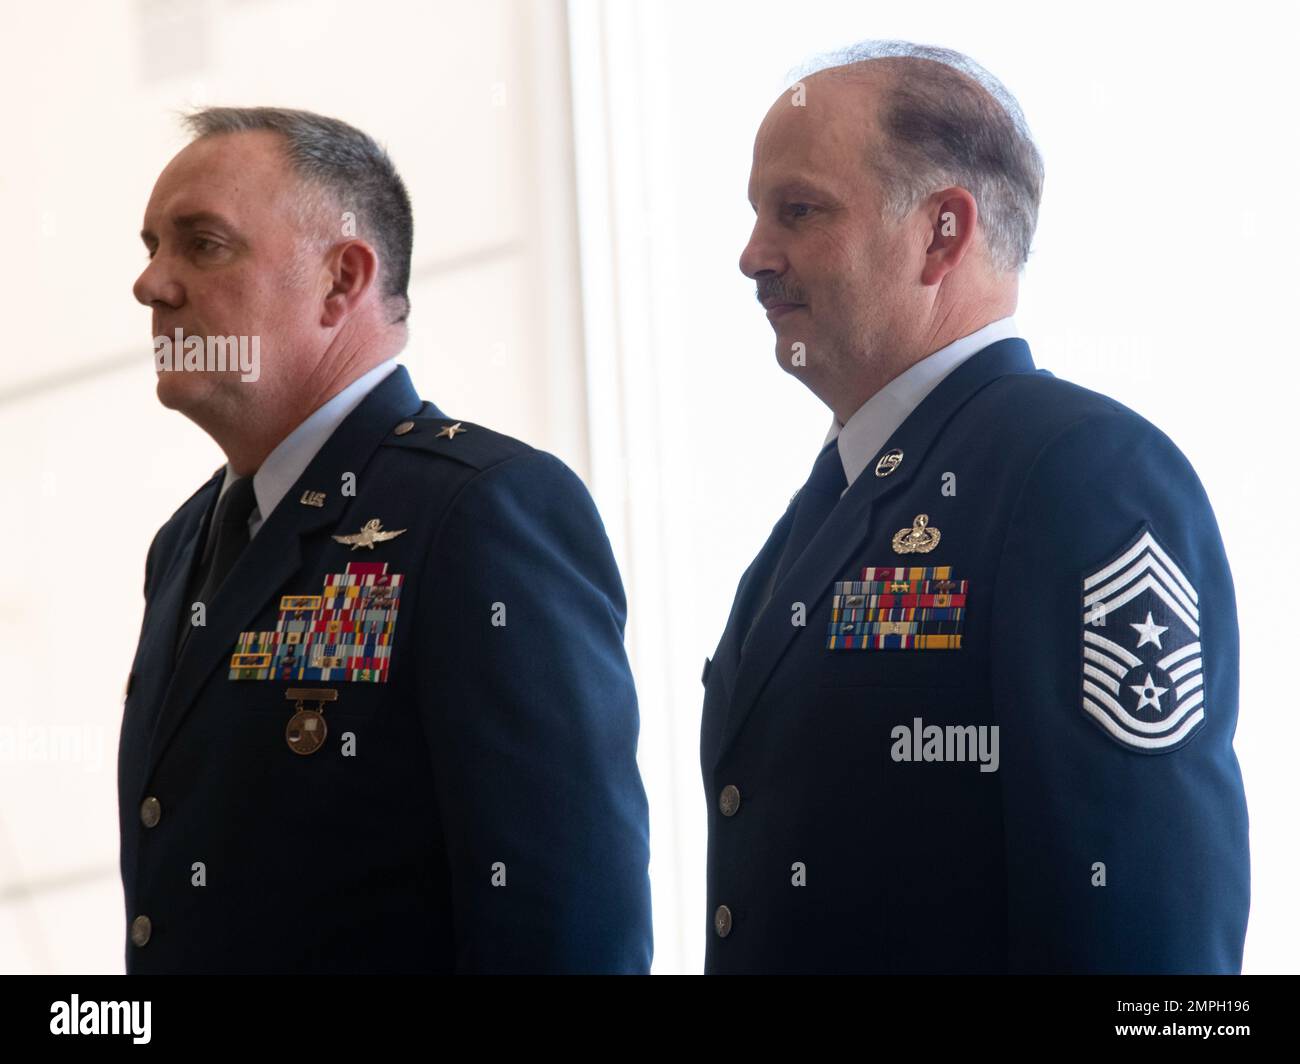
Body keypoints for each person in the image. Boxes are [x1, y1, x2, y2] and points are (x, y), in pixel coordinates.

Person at [700, 41, 1249, 973]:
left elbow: (1151, 929)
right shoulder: (832, 500)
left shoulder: (1082, 474)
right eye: (757, 215)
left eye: (798, 211)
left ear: (942, 233)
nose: (753, 256)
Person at [122, 106, 652, 973]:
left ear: (341, 282)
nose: (152, 285)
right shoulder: (184, 544)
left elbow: (567, 924)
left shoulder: (480, 514)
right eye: (150, 247)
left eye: (202, 244)